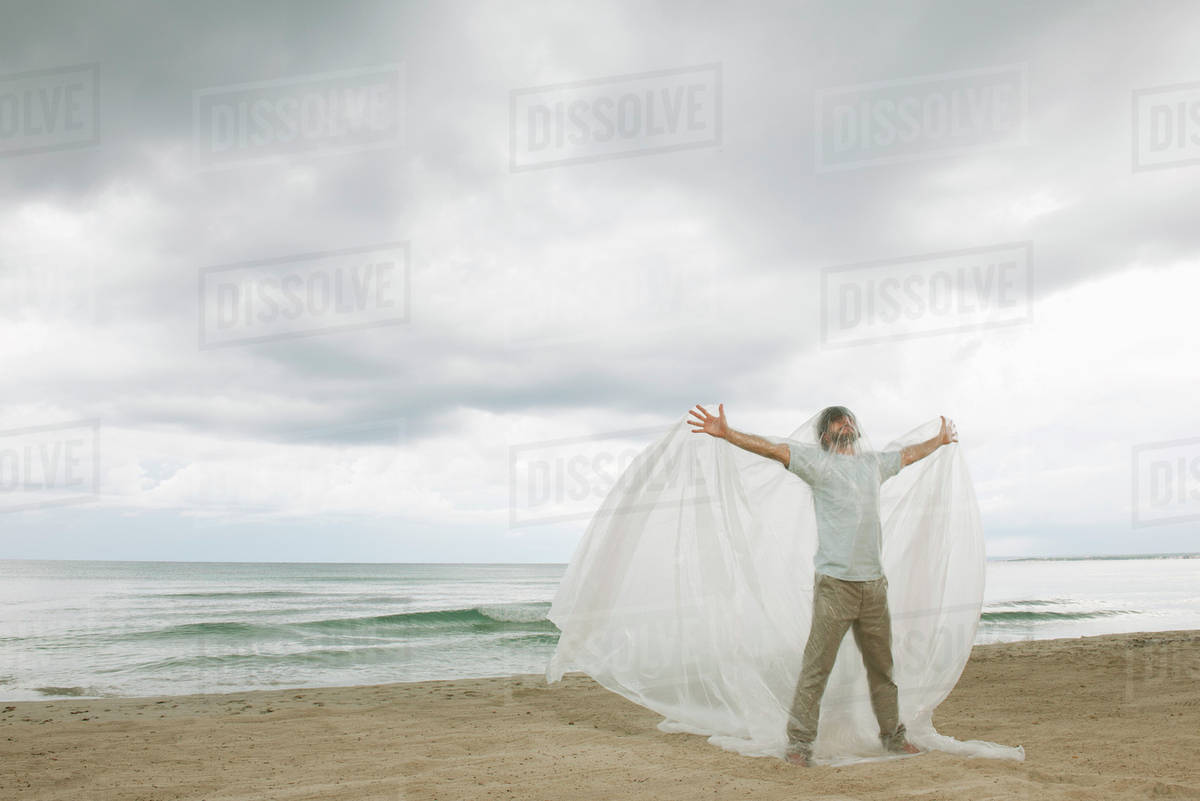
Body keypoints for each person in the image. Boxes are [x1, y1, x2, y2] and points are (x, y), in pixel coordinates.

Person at [687, 403, 958, 766]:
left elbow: (908, 455)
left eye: (848, 420)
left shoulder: (873, 465)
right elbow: (772, 449)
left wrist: (939, 440)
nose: (845, 424)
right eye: (837, 422)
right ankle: (799, 745)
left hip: (874, 587)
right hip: (835, 587)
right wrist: (727, 433)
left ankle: (894, 738)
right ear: (825, 435)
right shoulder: (816, 464)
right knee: (816, 669)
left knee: (883, 670)